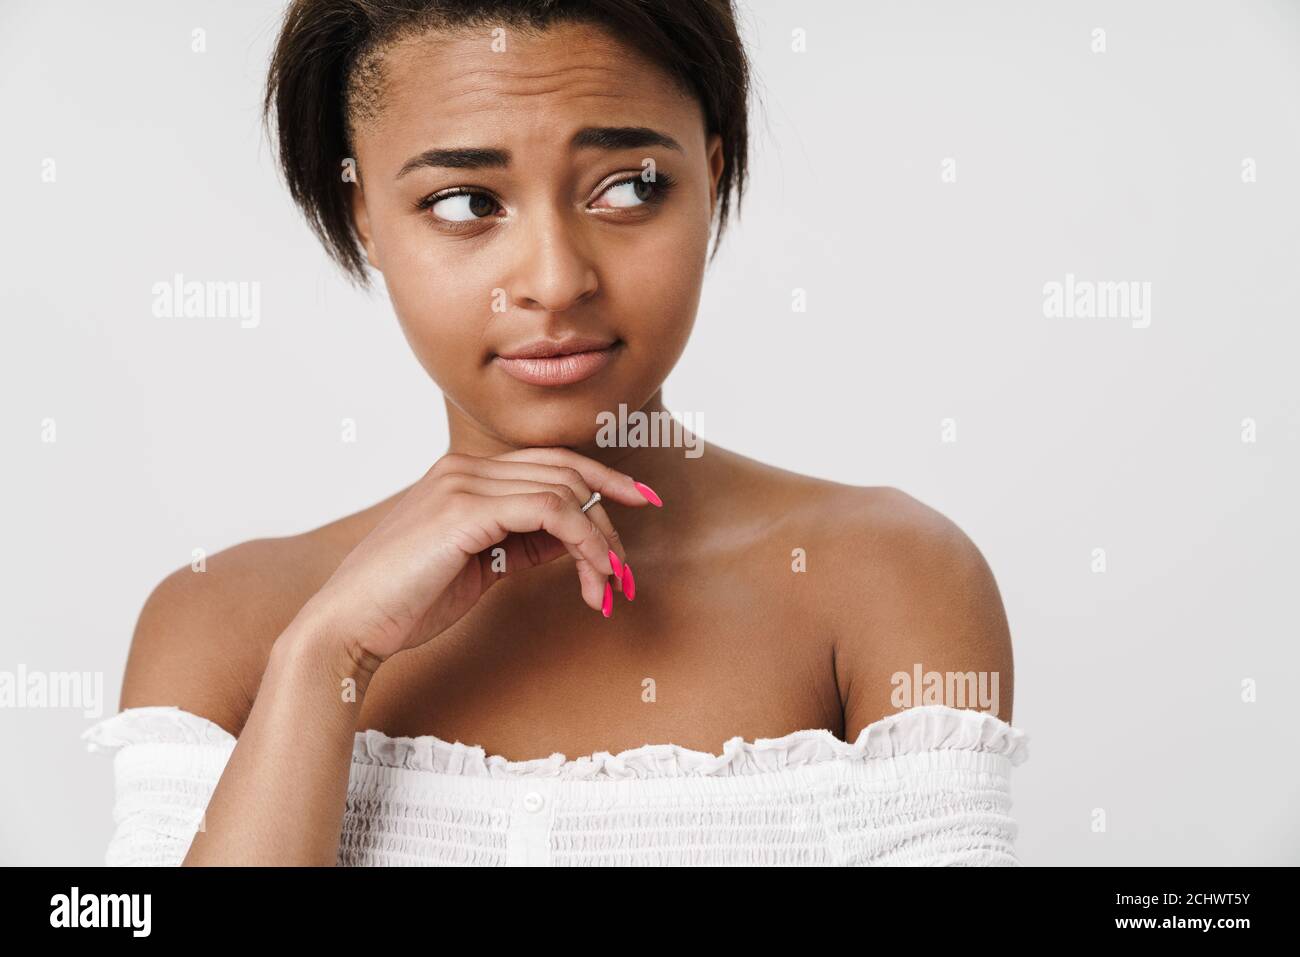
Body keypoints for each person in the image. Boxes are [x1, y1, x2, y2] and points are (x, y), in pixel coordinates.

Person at [83, 0, 1028, 866]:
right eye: (466, 203)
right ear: (363, 212)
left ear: (715, 170)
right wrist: (326, 656)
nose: (553, 278)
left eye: (628, 186)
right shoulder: (224, 626)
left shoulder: (887, 581)